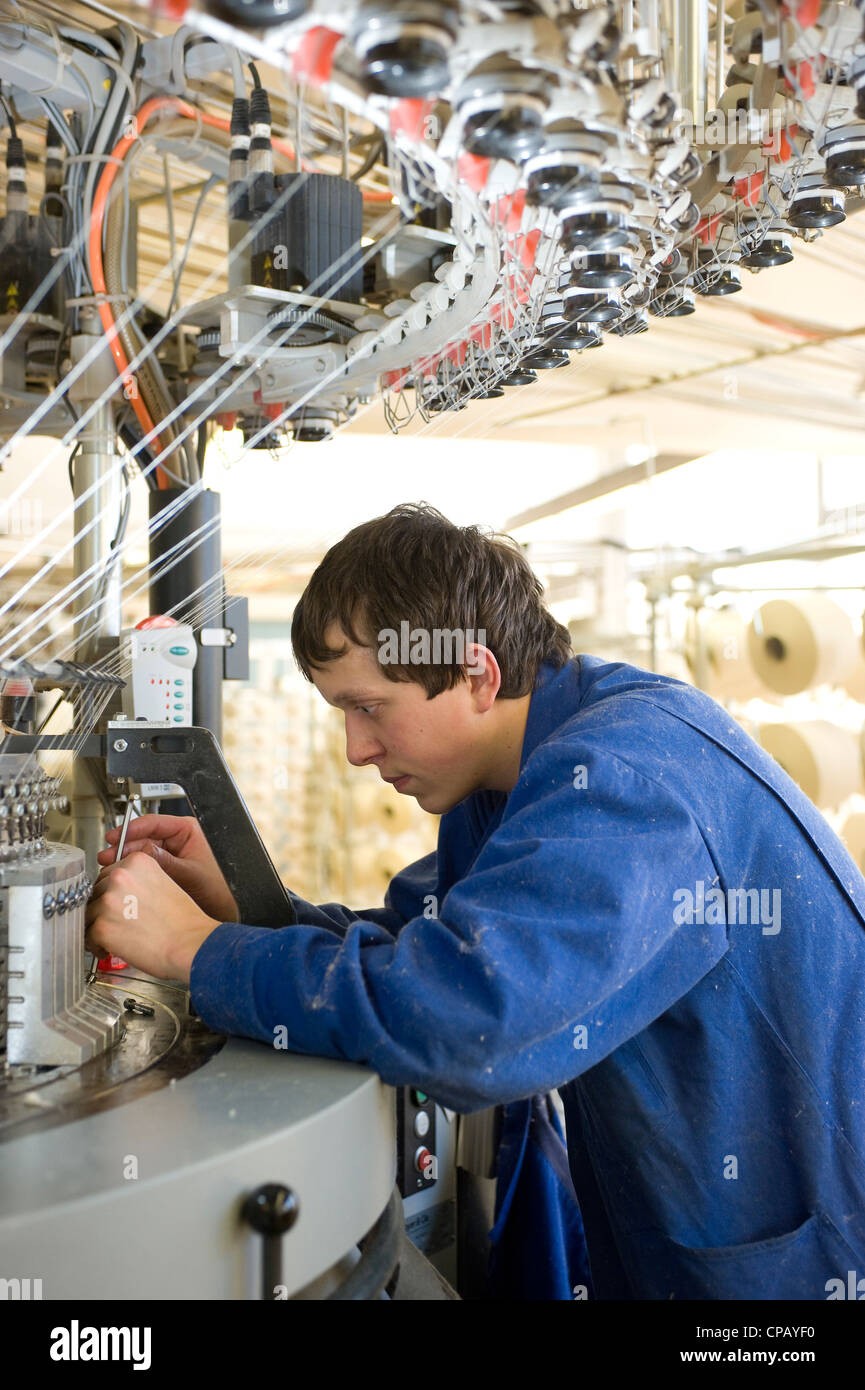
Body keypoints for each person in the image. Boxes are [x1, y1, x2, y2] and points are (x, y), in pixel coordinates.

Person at [86, 502, 865, 1300]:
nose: (355, 750)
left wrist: (193, 949)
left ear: (477, 675)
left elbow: (466, 1020)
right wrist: (244, 904)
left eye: (368, 707)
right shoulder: (513, 770)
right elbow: (419, 948)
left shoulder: (622, 783)